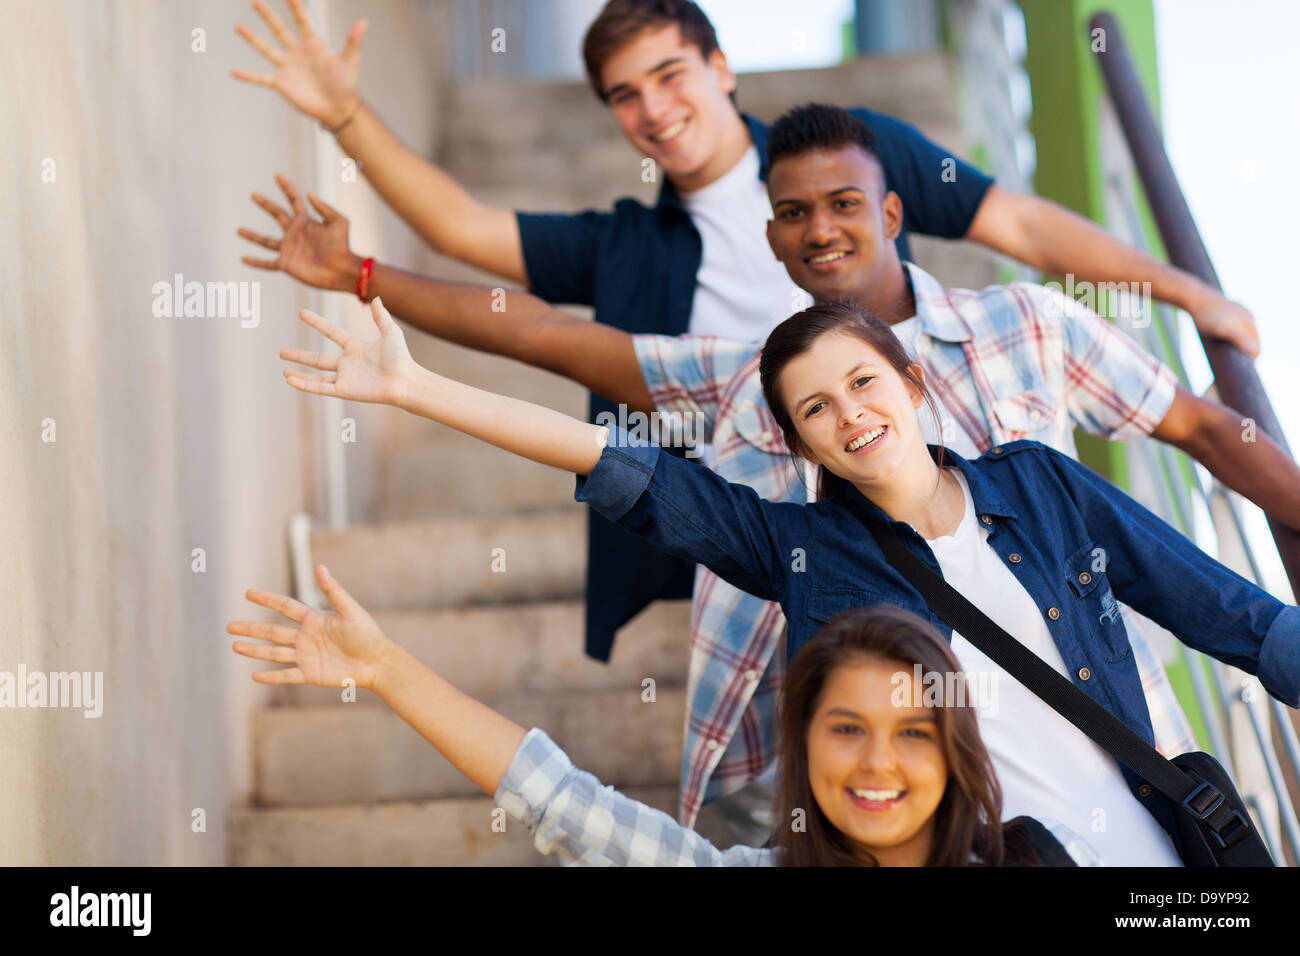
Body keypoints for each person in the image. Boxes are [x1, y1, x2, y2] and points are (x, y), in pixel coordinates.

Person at [251, 104, 1300, 841]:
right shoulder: (805, 545)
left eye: (862, 385)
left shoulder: (1039, 475)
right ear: (790, 437)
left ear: (912, 379)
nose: (848, 414)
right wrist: (407, 374)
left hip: (1154, 827)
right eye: (812, 407)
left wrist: (1186, 296)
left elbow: (1244, 616)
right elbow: (604, 438)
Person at [232, 0, 1260, 679]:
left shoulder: (843, 156)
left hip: (939, 495)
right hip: (780, 538)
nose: (654, 109)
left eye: (669, 76)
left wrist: (1187, 295)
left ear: (721, 68)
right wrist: (350, 167)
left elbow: (1023, 226)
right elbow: (491, 272)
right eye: (625, 95)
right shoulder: (629, 249)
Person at [229, 567, 1100, 866]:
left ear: (953, 749)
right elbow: (566, 804)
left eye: (912, 732)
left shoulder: (1040, 860)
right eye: (847, 729)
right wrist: (385, 670)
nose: (877, 764)